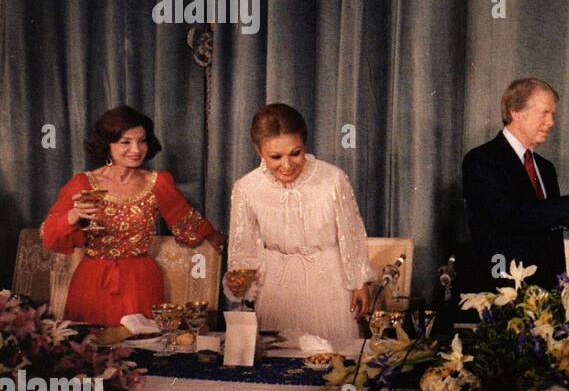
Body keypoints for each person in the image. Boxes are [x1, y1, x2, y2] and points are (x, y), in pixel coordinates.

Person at [41, 106, 224, 326]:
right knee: (89, 353)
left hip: (140, 281)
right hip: (92, 281)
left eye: (142, 140)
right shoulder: (83, 183)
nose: (136, 149)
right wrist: (72, 216)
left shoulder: (158, 183)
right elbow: (49, 236)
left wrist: (213, 236)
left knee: (143, 349)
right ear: (107, 145)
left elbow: (187, 225)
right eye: (125, 142)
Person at [224, 104, 376, 343]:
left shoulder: (332, 178)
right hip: (277, 289)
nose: (287, 165)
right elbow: (242, 248)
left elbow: (352, 233)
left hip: (329, 285)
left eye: (295, 153)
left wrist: (359, 282)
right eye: (275, 157)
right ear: (258, 150)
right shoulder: (246, 188)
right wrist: (241, 283)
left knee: (331, 362)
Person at [461, 78, 569, 293]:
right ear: (516, 113)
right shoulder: (481, 160)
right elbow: (507, 216)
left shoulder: (545, 168)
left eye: (552, 115)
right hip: (501, 290)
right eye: (544, 113)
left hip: (545, 292)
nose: (551, 123)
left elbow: (547, 227)